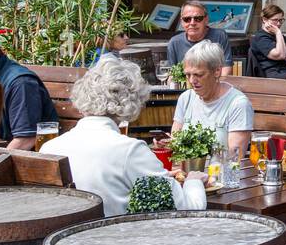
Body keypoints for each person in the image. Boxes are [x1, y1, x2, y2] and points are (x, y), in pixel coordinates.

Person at [42, 58, 206, 217]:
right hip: (114, 240)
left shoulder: (49, 149)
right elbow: (187, 210)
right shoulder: (130, 150)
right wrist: (194, 180)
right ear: (133, 100)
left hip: (62, 241)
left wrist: (158, 176)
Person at [170, 40, 254, 158]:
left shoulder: (238, 104)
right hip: (186, 173)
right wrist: (166, 146)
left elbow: (234, 158)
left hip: (220, 173)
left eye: (198, 75)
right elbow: (175, 143)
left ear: (217, 71)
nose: (191, 81)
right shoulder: (186, 98)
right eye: (188, 75)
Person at [166, 1, 232, 76]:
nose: (192, 23)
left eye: (197, 18)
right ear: (182, 22)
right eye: (187, 19)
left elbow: (226, 68)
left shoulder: (220, 36)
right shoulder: (174, 42)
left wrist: (215, 86)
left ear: (206, 20)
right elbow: (172, 75)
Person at [249, 4, 286, 79]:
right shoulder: (261, 37)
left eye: (281, 20)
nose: (279, 23)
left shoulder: (279, 36)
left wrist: (285, 57)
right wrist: (278, 32)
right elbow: (280, 55)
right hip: (274, 74)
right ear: (264, 19)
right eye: (275, 20)